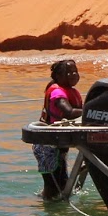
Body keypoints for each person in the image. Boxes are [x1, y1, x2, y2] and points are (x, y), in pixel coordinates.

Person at [33, 59, 83, 200]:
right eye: (69, 72)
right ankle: (49, 213)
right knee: (53, 186)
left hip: (59, 144)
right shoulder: (57, 93)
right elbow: (69, 112)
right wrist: (93, 109)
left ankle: (59, 212)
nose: (74, 75)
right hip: (46, 144)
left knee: (63, 183)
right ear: (59, 76)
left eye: (76, 71)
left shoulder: (72, 91)